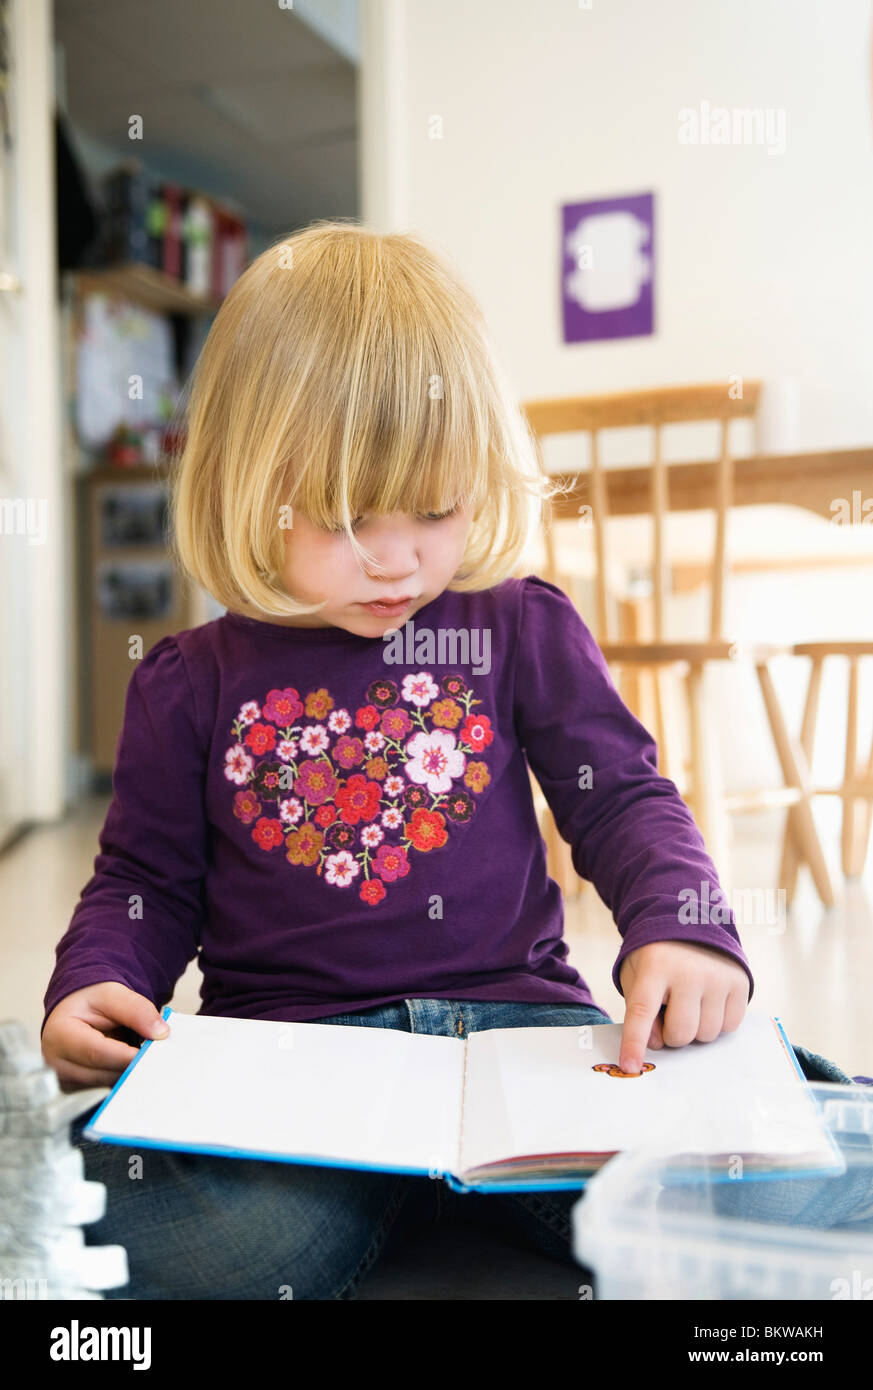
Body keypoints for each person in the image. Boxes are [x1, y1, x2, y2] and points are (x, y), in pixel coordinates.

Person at [41, 222, 868, 1300]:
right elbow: (144, 882)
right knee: (179, 1243)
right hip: (294, 1069)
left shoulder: (520, 623)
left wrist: (684, 926)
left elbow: (621, 797)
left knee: (773, 1167)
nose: (399, 557)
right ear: (251, 489)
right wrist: (98, 980)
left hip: (529, 1043)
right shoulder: (188, 681)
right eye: (344, 519)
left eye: (437, 507)